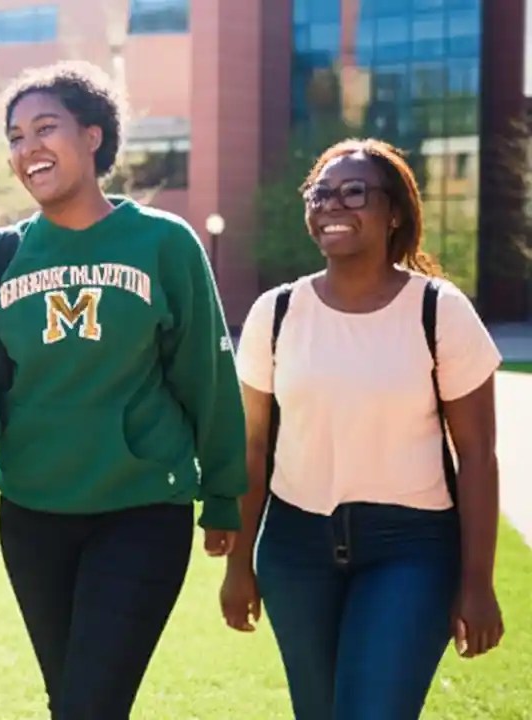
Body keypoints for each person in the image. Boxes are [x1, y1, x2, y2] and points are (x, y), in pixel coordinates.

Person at [0, 60, 248, 718]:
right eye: (15, 137)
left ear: (94, 135)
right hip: (33, 516)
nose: (28, 150)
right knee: (72, 701)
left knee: (89, 706)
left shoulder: (164, 243)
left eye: (45, 129)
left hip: (142, 510)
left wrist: (223, 495)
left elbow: (207, 377)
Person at [221, 138, 505, 719]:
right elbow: (252, 448)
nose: (333, 205)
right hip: (295, 549)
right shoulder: (274, 314)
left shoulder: (439, 310)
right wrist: (238, 564)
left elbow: (477, 456)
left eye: (354, 192)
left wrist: (477, 581)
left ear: (394, 211)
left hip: (411, 548)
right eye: (320, 193)